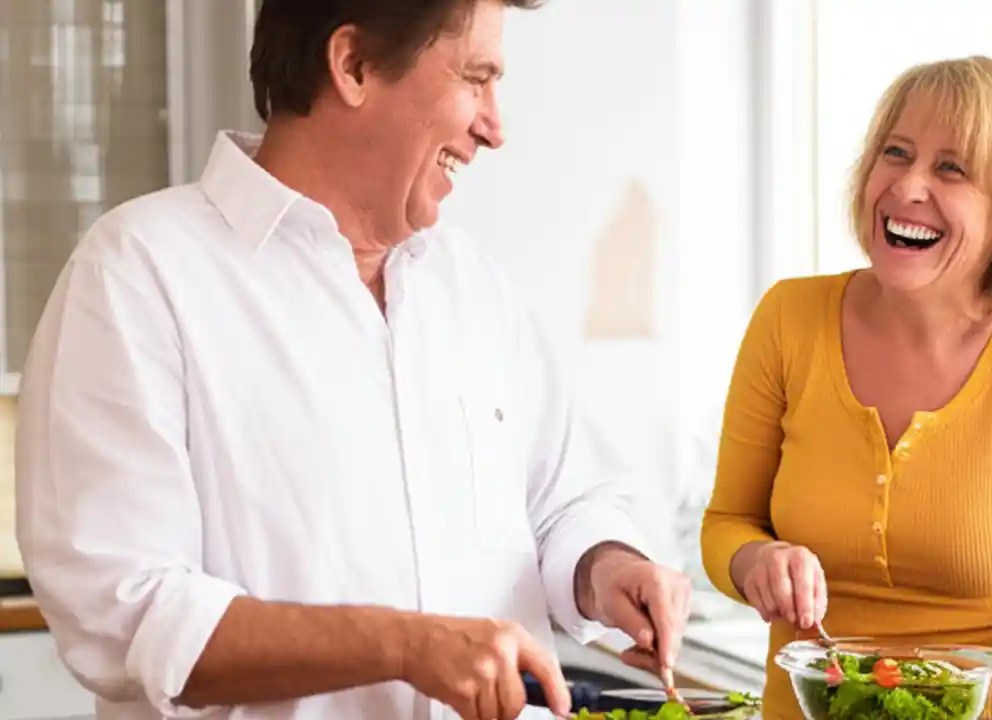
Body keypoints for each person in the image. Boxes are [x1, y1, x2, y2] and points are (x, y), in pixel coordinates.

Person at [15, 1, 691, 719]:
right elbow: (129, 613)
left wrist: (607, 566)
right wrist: (402, 646)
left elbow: (564, 503)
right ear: (354, 65)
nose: (495, 127)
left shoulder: (473, 286)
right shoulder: (137, 276)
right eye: (475, 78)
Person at [700, 56, 992, 719]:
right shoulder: (789, 319)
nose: (907, 186)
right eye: (896, 153)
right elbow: (726, 523)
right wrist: (754, 559)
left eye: (951, 169)